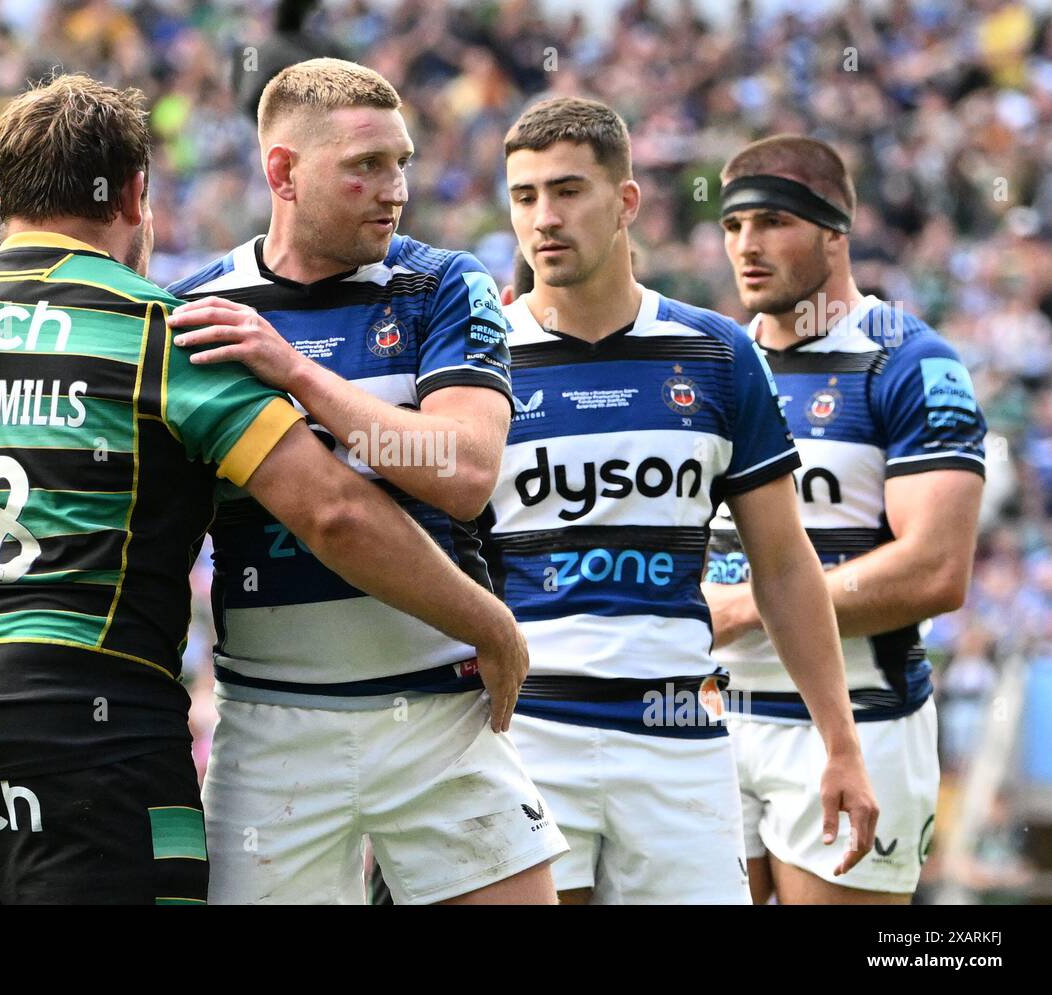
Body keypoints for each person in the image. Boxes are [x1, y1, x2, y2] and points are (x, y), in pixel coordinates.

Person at [0, 72, 530, 905]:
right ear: (135, 195)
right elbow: (332, 513)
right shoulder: (164, 328)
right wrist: (488, 621)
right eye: (371, 163)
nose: (394, 188)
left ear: (1, 194)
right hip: (102, 753)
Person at [163, 58, 567, 905]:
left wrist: (298, 376)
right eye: (366, 167)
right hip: (271, 723)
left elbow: (460, 470)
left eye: (402, 163)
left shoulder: (444, 284)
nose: (396, 190)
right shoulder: (197, 309)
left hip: (443, 711)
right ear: (284, 172)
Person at [487, 96, 876, 904]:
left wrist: (839, 742)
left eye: (567, 191)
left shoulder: (718, 354)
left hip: (677, 735)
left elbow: (783, 562)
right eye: (524, 197)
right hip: (522, 735)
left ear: (626, 201)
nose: (544, 219)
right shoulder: (477, 359)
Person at [705, 135, 987, 904]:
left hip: (859, 721)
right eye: (733, 226)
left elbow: (935, 569)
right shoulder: (713, 361)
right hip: (707, 722)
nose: (747, 245)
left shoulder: (907, 361)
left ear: (835, 230)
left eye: (772, 222)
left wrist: (747, 606)